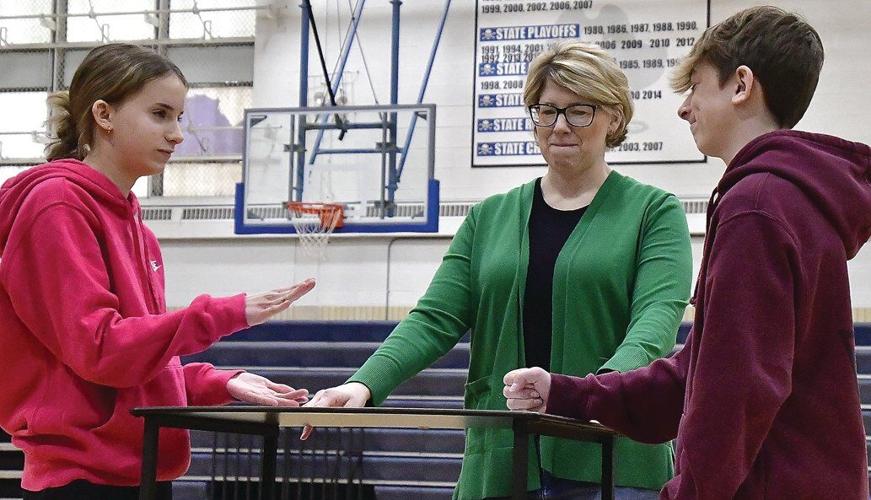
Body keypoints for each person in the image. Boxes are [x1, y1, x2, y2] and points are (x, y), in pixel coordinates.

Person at [504, 6, 871, 499]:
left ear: (741, 85)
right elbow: (696, 372)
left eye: (695, 86)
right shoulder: (790, 198)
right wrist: (570, 392)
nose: (684, 107)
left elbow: (735, 395)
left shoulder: (756, 205)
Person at [305, 42, 693, 499]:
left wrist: (595, 394)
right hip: (503, 461)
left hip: (613, 459)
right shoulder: (488, 218)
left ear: (614, 116)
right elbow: (433, 319)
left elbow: (653, 328)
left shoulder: (655, 212)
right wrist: (364, 383)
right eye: (546, 110)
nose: (560, 126)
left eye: (579, 111)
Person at [0, 43, 315, 499]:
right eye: (160, 114)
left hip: (144, 472)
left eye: (179, 117)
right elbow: (101, 350)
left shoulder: (137, 228)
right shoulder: (58, 205)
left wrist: (218, 380)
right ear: (104, 114)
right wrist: (224, 313)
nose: (177, 134)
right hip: (82, 482)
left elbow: (138, 366)